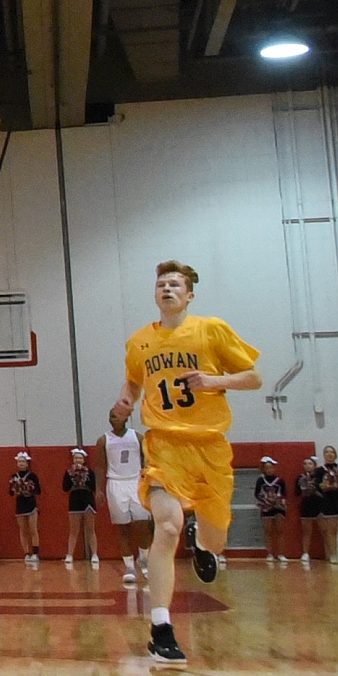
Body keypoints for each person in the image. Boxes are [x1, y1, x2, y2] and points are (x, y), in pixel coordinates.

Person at [114, 260, 261, 664]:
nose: (167, 289)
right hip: (164, 444)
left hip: (210, 447)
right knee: (165, 525)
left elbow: (253, 377)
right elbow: (133, 378)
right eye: (161, 284)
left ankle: (204, 545)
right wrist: (126, 398)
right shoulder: (140, 341)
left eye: (175, 284)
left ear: (189, 294)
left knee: (216, 537)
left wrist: (216, 381)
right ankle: (160, 628)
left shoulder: (211, 329)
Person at [100, 407, 153, 583]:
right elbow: (100, 466)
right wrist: (98, 490)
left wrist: (149, 481)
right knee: (123, 528)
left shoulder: (137, 437)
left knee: (143, 524)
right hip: (115, 483)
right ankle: (130, 567)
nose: (115, 419)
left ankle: (144, 559)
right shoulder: (103, 440)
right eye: (112, 416)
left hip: (136, 482)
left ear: (126, 418)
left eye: (118, 416)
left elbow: (148, 461)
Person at [63, 448, 99, 564]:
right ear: (73, 460)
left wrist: (84, 479)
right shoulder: (68, 473)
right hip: (75, 502)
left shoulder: (90, 472)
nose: (78, 460)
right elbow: (65, 488)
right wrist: (74, 478)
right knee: (73, 531)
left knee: (90, 529)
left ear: (84, 460)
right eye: (76, 458)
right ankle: (69, 555)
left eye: (80, 458)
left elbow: (94, 487)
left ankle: (94, 554)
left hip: (88, 501)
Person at [9, 452, 42, 564]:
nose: (21, 463)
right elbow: (10, 492)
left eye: (23, 462)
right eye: (19, 462)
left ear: (27, 463)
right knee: (23, 531)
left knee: (33, 529)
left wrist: (28, 489)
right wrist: (17, 489)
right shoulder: (14, 476)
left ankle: (35, 553)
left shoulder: (32, 476)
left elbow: (38, 490)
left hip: (31, 505)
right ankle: (26, 553)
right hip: (20, 505)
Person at [255, 456, 288, 562]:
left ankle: (281, 554)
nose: (269, 470)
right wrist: (266, 501)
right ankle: (269, 553)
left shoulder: (280, 481)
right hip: (266, 508)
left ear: (275, 468)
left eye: (271, 467)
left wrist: (278, 501)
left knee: (280, 531)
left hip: (278, 508)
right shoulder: (260, 480)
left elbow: (284, 494)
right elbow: (257, 494)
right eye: (267, 468)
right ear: (264, 469)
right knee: (268, 531)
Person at [297, 455, 324, 563]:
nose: (307, 466)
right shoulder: (300, 477)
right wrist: (305, 489)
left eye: (310, 464)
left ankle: (331, 553)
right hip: (306, 506)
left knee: (325, 531)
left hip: (320, 505)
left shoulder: (320, 477)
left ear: (315, 465)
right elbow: (297, 493)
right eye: (305, 464)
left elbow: (325, 491)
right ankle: (305, 553)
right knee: (307, 531)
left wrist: (315, 490)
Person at [318, 444, 338, 563]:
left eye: (332, 452)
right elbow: (318, 485)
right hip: (328, 502)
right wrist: (326, 486)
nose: (329, 454)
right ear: (324, 455)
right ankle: (333, 554)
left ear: (335, 455)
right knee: (331, 530)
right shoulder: (320, 470)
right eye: (327, 452)